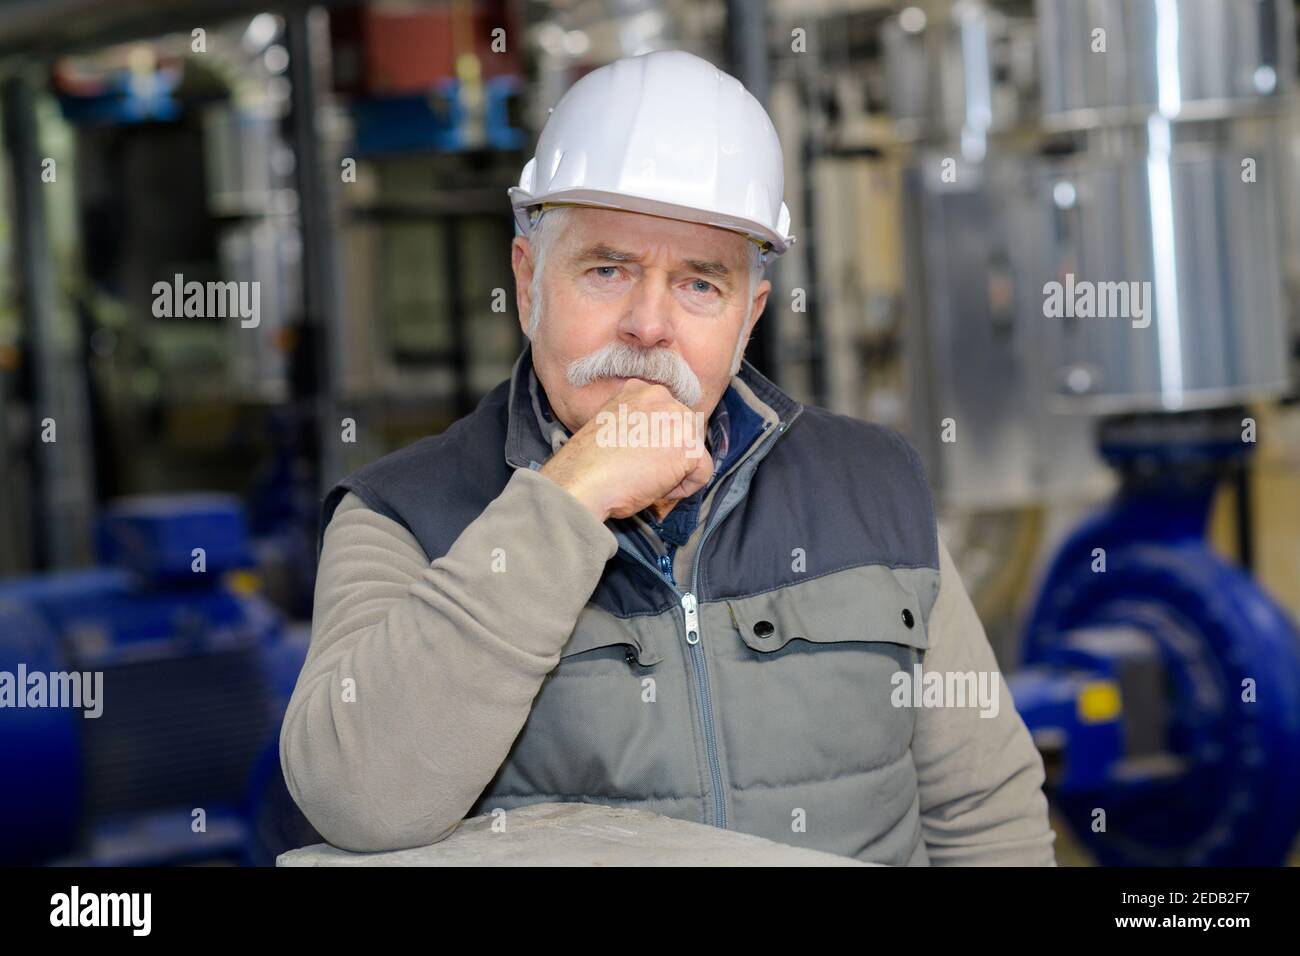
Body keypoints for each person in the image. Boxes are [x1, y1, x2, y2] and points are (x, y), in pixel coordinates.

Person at [280, 49, 1056, 865]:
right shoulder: (401, 515)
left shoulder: (874, 488)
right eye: (608, 269)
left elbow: (985, 819)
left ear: (749, 315)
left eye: (699, 285)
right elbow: (357, 799)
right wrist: (568, 496)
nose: (649, 326)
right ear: (527, 279)